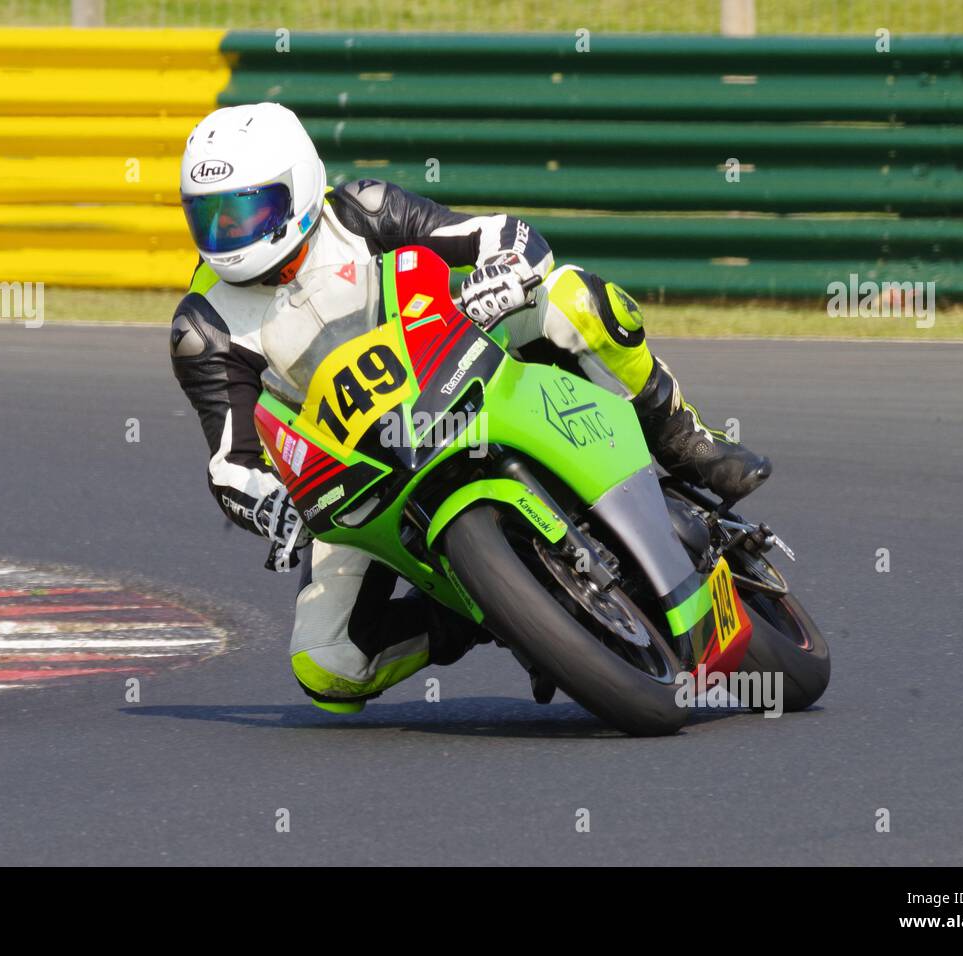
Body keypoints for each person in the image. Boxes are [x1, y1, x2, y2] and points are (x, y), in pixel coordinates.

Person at [170, 103, 770, 712]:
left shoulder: (361, 212)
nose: (229, 233)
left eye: (247, 211)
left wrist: (504, 275)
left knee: (576, 299)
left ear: (299, 187)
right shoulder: (204, 326)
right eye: (210, 217)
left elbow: (502, 235)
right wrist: (269, 506)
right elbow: (231, 460)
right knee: (326, 665)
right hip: (365, 472)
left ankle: (685, 439)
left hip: (459, 363)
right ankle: (481, 609)